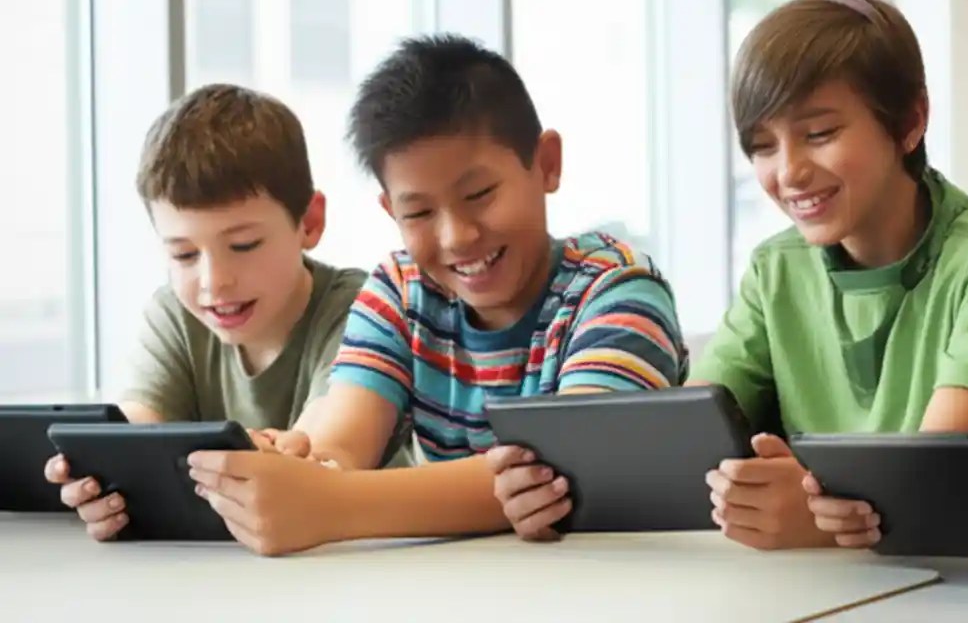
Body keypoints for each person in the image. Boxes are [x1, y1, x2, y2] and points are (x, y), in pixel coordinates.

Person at [185, 35, 688, 555]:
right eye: (420, 213)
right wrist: (298, 464)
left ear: (546, 164)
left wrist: (334, 503)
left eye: (479, 195)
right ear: (391, 212)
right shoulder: (401, 293)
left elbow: (573, 466)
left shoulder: (617, 291)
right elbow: (340, 442)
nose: (457, 237)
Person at [689, 0, 968, 551]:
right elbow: (690, 440)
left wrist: (813, 513)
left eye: (819, 135)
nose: (788, 172)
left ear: (910, 121)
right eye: (762, 146)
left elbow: (932, 474)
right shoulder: (775, 270)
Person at [45, 84, 366, 541]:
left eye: (243, 246)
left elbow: (317, 452)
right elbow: (135, 428)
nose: (215, 282)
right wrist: (100, 483)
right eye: (183, 255)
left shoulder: (360, 310)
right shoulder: (175, 314)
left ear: (309, 223)